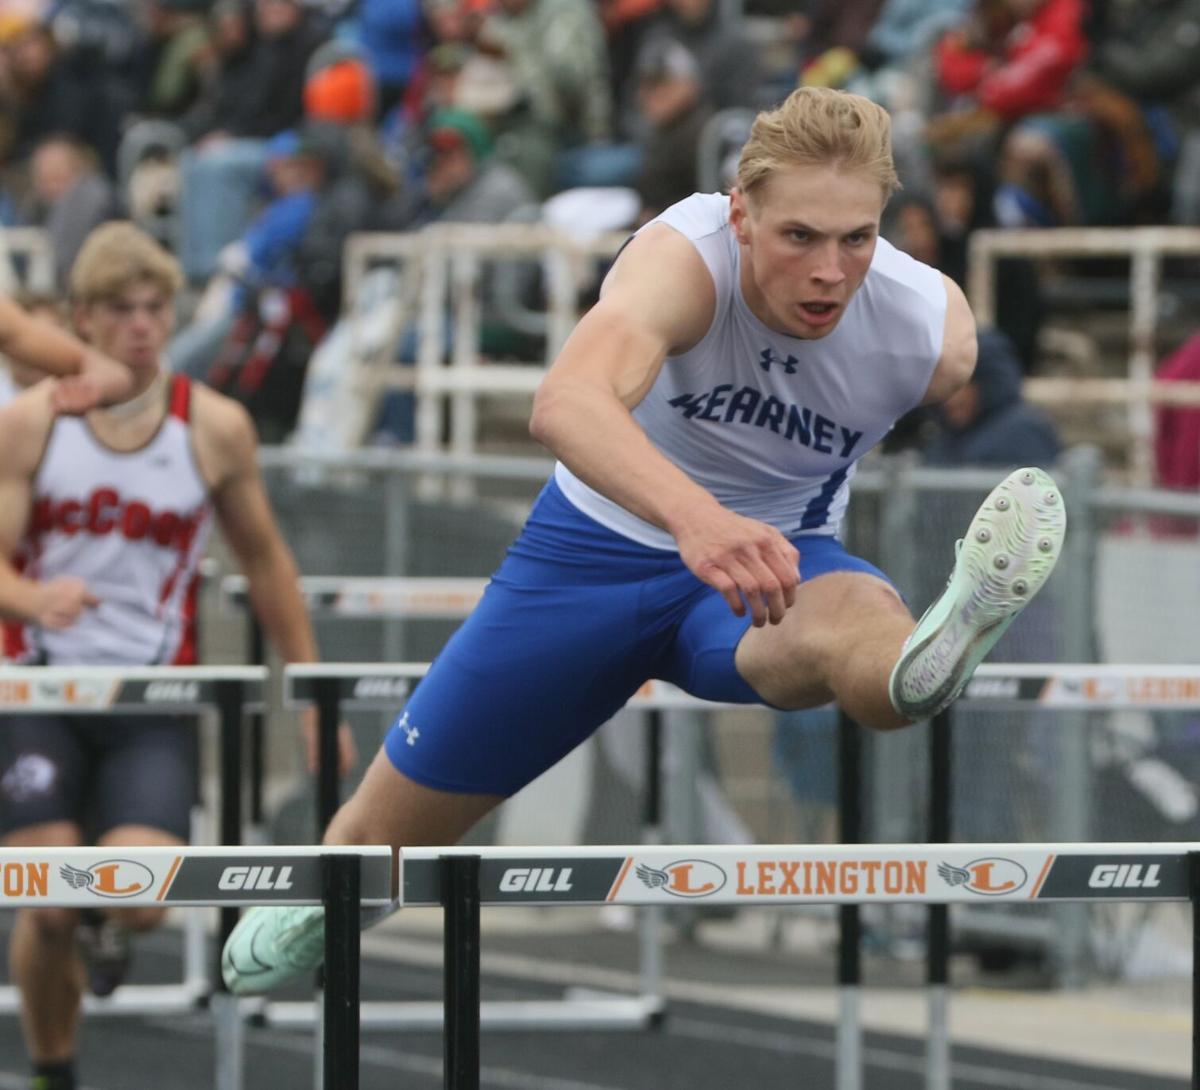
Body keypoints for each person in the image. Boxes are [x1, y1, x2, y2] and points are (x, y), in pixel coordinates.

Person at [221, 86, 1067, 993]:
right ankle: (340, 889)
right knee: (376, 837)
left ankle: (924, 656)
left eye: (855, 239)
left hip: (774, 560)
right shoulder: (683, 259)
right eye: (799, 238)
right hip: (590, 557)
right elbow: (567, 402)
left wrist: (737, 538)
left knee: (863, 628)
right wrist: (696, 517)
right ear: (741, 216)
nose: (829, 270)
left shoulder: (932, 336)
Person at [0, 222, 354, 1090]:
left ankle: (104, 928)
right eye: (120, 311)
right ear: (82, 319)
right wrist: (32, 599)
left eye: (157, 309)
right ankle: (55, 1070)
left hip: (153, 697)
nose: (142, 327)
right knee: (48, 903)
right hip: (42, 688)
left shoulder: (214, 427)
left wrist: (308, 694)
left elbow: (266, 560)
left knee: (143, 899)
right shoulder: (32, 425)